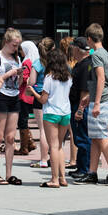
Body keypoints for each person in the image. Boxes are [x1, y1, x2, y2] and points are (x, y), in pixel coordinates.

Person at [76, 24, 108, 185]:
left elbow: (101, 78)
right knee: (95, 137)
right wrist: (90, 96)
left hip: (102, 101)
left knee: (101, 137)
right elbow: (102, 80)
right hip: (103, 98)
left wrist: (95, 102)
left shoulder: (96, 55)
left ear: (89, 39)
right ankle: (92, 173)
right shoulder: (105, 54)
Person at [0, 28, 28, 185]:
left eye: (17, 45)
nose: (15, 48)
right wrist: (7, 74)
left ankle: (9, 173)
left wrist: (18, 75)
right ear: (6, 42)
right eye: (13, 44)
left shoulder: (15, 58)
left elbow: (18, 83)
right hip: (0, 96)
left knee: (11, 137)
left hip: (14, 96)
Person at [33, 43, 73, 188]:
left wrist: (33, 93)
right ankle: (62, 178)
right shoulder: (68, 77)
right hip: (65, 113)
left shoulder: (49, 78)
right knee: (60, 146)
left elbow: (43, 99)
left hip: (51, 113)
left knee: (53, 147)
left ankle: (54, 179)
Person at [68, 37, 92, 176]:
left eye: (73, 48)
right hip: (78, 103)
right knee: (79, 137)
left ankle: (84, 169)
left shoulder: (84, 66)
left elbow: (85, 90)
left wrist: (80, 109)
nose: (72, 51)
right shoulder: (81, 64)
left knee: (83, 137)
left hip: (81, 104)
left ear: (77, 49)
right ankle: (81, 166)